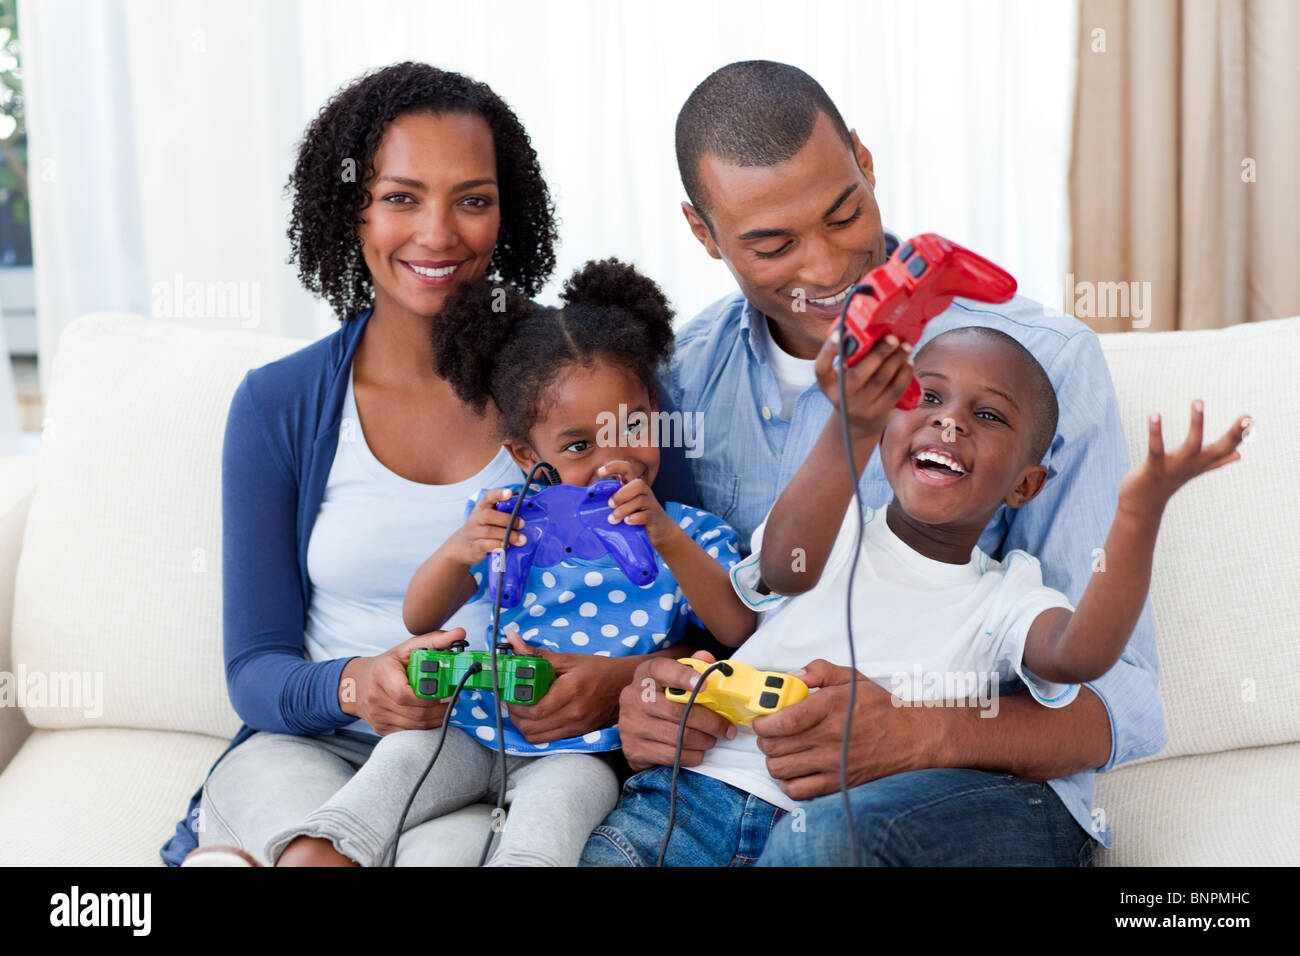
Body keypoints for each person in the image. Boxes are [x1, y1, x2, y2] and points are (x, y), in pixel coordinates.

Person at [597, 60, 1171, 866]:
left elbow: (1124, 699)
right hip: (744, 781)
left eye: (843, 215)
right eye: (771, 244)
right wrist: (655, 690)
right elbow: (722, 620)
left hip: (970, 792)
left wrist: (916, 731)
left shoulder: (1040, 364)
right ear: (703, 232)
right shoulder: (683, 381)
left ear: (865, 163)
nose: (828, 268)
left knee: (821, 842)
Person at [163, 61, 628, 867]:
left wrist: (616, 677)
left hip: (501, 762)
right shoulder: (282, 404)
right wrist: (356, 684)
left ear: (504, 216)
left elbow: (688, 589)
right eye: (401, 197)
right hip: (318, 747)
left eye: (472, 201)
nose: (438, 234)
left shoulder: (582, 381)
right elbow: (254, 667)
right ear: (353, 211)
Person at [583, 325, 1248, 865]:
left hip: (829, 827)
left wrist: (1137, 519)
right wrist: (854, 426)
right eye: (926, 399)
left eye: (987, 416)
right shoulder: (832, 530)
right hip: (693, 802)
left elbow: (1080, 658)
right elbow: (781, 572)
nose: (950, 423)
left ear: (1026, 486)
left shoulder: (1009, 595)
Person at [258, 260, 753, 867]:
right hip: (469, 725)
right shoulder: (509, 522)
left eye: (632, 426)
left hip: (581, 751)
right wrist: (460, 549)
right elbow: (419, 616)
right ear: (525, 455)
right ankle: (312, 856)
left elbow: (740, 632)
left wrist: (666, 535)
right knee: (397, 766)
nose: (612, 459)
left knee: (556, 825)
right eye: (577, 446)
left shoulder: (690, 533)